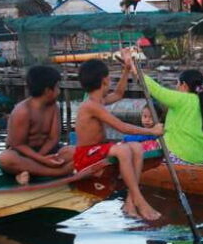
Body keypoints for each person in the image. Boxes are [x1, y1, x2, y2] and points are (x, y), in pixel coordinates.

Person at [62, 56, 163, 220]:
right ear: (104, 81)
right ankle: (139, 200)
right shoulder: (91, 105)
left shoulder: (98, 100)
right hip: (85, 155)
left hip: (98, 150)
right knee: (122, 150)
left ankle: (130, 201)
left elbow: (119, 93)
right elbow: (121, 127)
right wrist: (153, 132)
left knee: (136, 148)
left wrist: (126, 70)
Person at [0, 65, 71, 184]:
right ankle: (57, 172)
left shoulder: (53, 107)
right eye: (57, 87)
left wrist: (42, 158)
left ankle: (27, 172)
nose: (59, 91)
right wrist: (41, 159)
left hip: (46, 153)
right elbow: (17, 144)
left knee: (72, 152)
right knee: (6, 159)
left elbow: (54, 138)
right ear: (48, 91)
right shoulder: (22, 111)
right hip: (23, 155)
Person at [133, 65, 203, 165]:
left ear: (184, 85)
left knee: (133, 149)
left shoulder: (181, 98)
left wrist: (134, 69)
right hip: (200, 157)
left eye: (177, 83)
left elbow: (157, 90)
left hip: (178, 155)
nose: (176, 87)